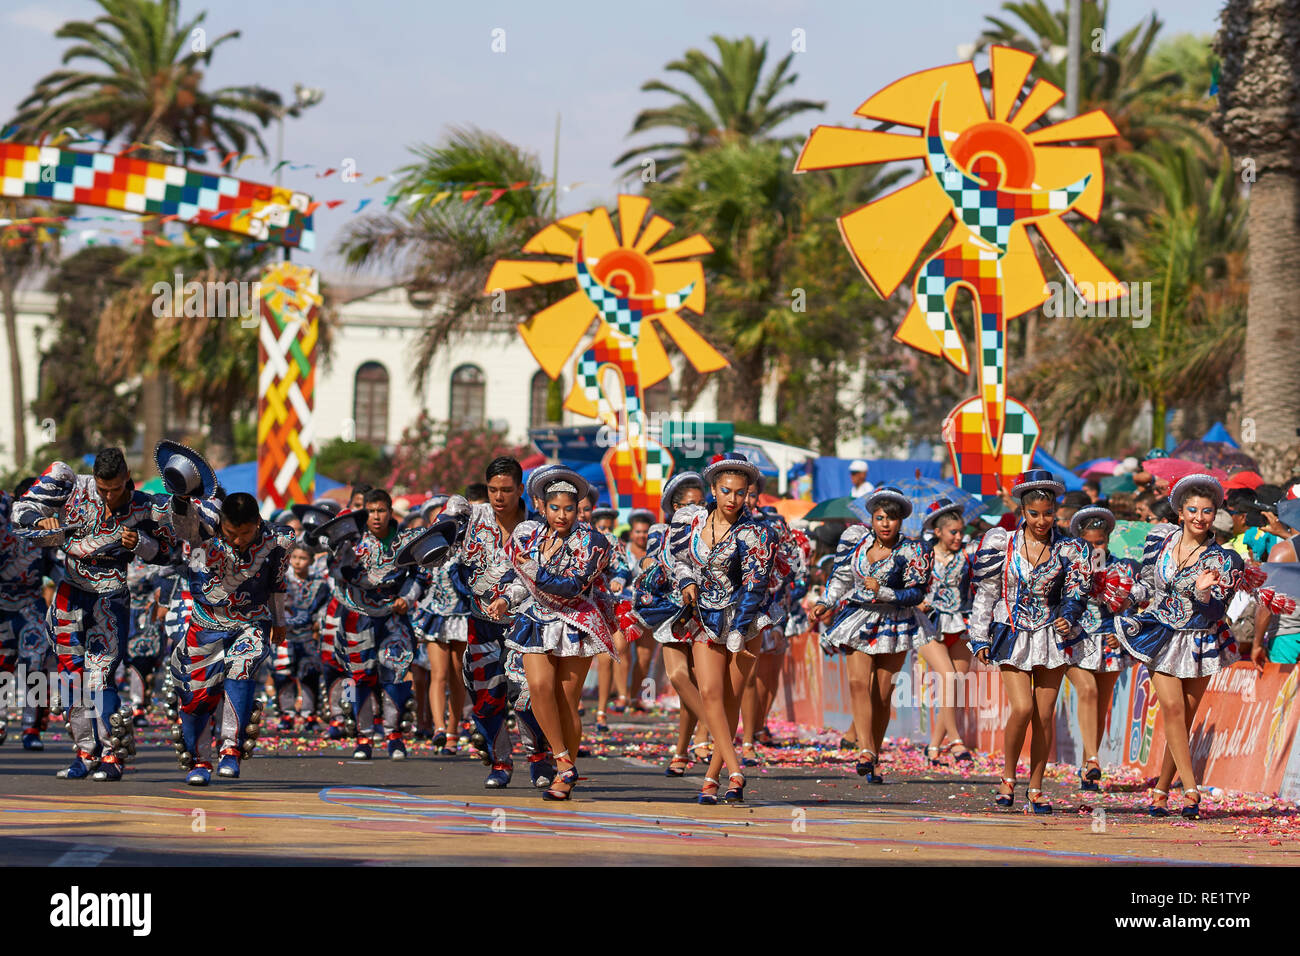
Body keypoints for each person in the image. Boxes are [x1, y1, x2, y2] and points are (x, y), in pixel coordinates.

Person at [13, 447, 178, 780]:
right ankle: (85, 754)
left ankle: (112, 755)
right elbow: (21, 510)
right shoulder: (70, 484)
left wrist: (140, 544)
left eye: (115, 488)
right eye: (102, 489)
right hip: (68, 594)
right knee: (70, 679)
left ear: (127, 478)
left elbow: (171, 551)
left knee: (100, 677)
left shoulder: (148, 505)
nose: (107, 495)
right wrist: (41, 520)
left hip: (110, 598)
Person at [1113, 474, 1252, 819]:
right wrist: (1123, 596)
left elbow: (1218, 610)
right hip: (1161, 635)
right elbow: (1147, 586)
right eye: (1193, 509)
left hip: (1201, 640)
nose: (1199, 517)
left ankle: (1161, 790)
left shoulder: (1225, 560)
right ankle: (1191, 789)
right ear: (1180, 512)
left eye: (1207, 511)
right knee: (1172, 710)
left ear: (1214, 514)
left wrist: (1204, 592)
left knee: (1183, 719)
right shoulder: (1159, 542)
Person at [488, 467, 616, 800]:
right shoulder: (526, 535)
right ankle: (562, 759)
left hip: (576, 623)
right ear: (542, 507)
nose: (562, 515)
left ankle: (564, 776)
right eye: (554, 508)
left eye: (569, 508)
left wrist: (532, 571)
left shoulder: (594, 542)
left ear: (579, 509)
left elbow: (571, 587)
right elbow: (518, 579)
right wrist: (504, 598)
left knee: (566, 703)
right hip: (535, 620)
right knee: (538, 686)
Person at [969, 470, 1089, 813]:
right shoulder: (1001, 544)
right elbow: (987, 593)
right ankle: (1008, 776)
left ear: (1057, 513)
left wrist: (1069, 614)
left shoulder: (1069, 548)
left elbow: (1075, 593)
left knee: (1044, 715)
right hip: (1011, 632)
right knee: (1022, 708)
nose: (1041, 521)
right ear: (1023, 511)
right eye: (1034, 514)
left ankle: (1036, 786)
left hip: (1052, 636)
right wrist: (979, 636)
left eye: (1048, 514)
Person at [162, 480, 296, 785]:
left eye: (244, 534)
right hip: (205, 623)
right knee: (195, 699)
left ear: (257, 524)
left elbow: (276, 582)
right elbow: (180, 521)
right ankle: (200, 762)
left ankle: (231, 750)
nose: (236, 541)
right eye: (230, 533)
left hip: (252, 621)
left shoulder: (280, 540)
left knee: (241, 668)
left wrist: (278, 620)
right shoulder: (200, 532)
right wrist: (182, 495)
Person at [668, 453, 774, 803]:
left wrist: (738, 631)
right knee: (710, 694)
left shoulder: (757, 533)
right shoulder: (690, 521)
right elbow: (676, 558)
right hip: (702, 618)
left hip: (745, 622)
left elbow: (755, 585)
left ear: (749, 494)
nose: (733, 499)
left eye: (741, 493)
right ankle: (736, 769)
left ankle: (713, 778)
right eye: (726, 490)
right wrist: (685, 580)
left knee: (729, 699)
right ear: (712, 489)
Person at [811, 487, 934, 785]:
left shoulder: (913, 550)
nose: (886, 524)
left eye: (892, 519)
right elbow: (840, 576)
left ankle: (873, 754)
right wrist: (826, 602)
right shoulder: (855, 541)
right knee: (856, 682)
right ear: (871, 519)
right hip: (859, 617)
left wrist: (884, 591)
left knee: (881, 694)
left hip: (896, 621)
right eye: (880, 518)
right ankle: (865, 749)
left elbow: (917, 592)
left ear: (901, 521)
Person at [450, 457, 552, 789]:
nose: (498, 497)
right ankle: (500, 762)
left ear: (520, 489)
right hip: (481, 621)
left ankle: (539, 759)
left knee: (526, 693)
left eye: (506, 490)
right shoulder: (472, 519)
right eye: (493, 489)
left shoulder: (539, 525)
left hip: (526, 623)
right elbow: (442, 553)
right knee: (485, 695)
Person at [318, 488, 426, 760]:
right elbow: (333, 573)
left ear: (390, 512)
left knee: (395, 673)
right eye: (371, 511)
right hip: (357, 615)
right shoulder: (349, 540)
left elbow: (421, 574)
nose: (376, 516)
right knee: (360, 677)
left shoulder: (407, 540)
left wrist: (407, 597)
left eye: (381, 510)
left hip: (394, 615)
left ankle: (394, 735)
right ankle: (364, 738)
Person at [629, 471, 712, 775]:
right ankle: (712, 725)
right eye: (690, 504)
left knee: (699, 683)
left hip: (705, 613)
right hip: (672, 613)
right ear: (675, 507)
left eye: (702, 503)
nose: (697, 510)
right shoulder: (660, 530)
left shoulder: (711, 531)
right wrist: (649, 564)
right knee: (678, 677)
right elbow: (650, 557)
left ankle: (683, 751)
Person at [1061, 505, 1138, 792]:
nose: (1095, 549)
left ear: (1108, 540)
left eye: (1100, 543)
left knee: (1100, 709)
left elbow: (1135, 605)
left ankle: (1087, 769)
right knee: (1088, 691)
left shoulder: (1123, 568)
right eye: (1089, 544)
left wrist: (1122, 631)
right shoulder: (1068, 567)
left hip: (1108, 643)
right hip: (1075, 642)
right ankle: (1093, 758)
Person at [917, 498, 976, 764]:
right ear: (938, 531)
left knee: (954, 687)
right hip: (929, 625)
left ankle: (932, 747)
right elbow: (906, 584)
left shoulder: (968, 554)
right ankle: (955, 740)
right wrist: (916, 599)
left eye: (961, 531)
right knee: (949, 678)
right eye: (953, 532)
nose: (959, 536)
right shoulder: (921, 554)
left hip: (961, 624)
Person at [411, 495, 470, 753]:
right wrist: (405, 598)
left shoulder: (470, 549)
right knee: (440, 674)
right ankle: (438, 727)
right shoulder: (431, 548)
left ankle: (453, 731)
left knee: (458, 676)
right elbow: (419, 581)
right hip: (435, 614)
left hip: (462, 617)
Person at [0, 478, 54, 749]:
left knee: (35, 663)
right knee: (2, 666)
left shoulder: (45, 530)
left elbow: (55, 567)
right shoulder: (3, 528)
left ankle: (31, 729)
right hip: (1, 605)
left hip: (31, 605)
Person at [272, 541, 330, 731]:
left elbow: (324, 606)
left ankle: (309, 714)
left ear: (311, 561)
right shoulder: (281, 580)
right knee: (283, 674)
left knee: (309, 674)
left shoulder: (319, 584)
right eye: (294, 557)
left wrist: (318, 622)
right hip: (284, 635)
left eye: (303, 558)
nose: (297, 562)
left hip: (307, 636)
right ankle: (286, 713)